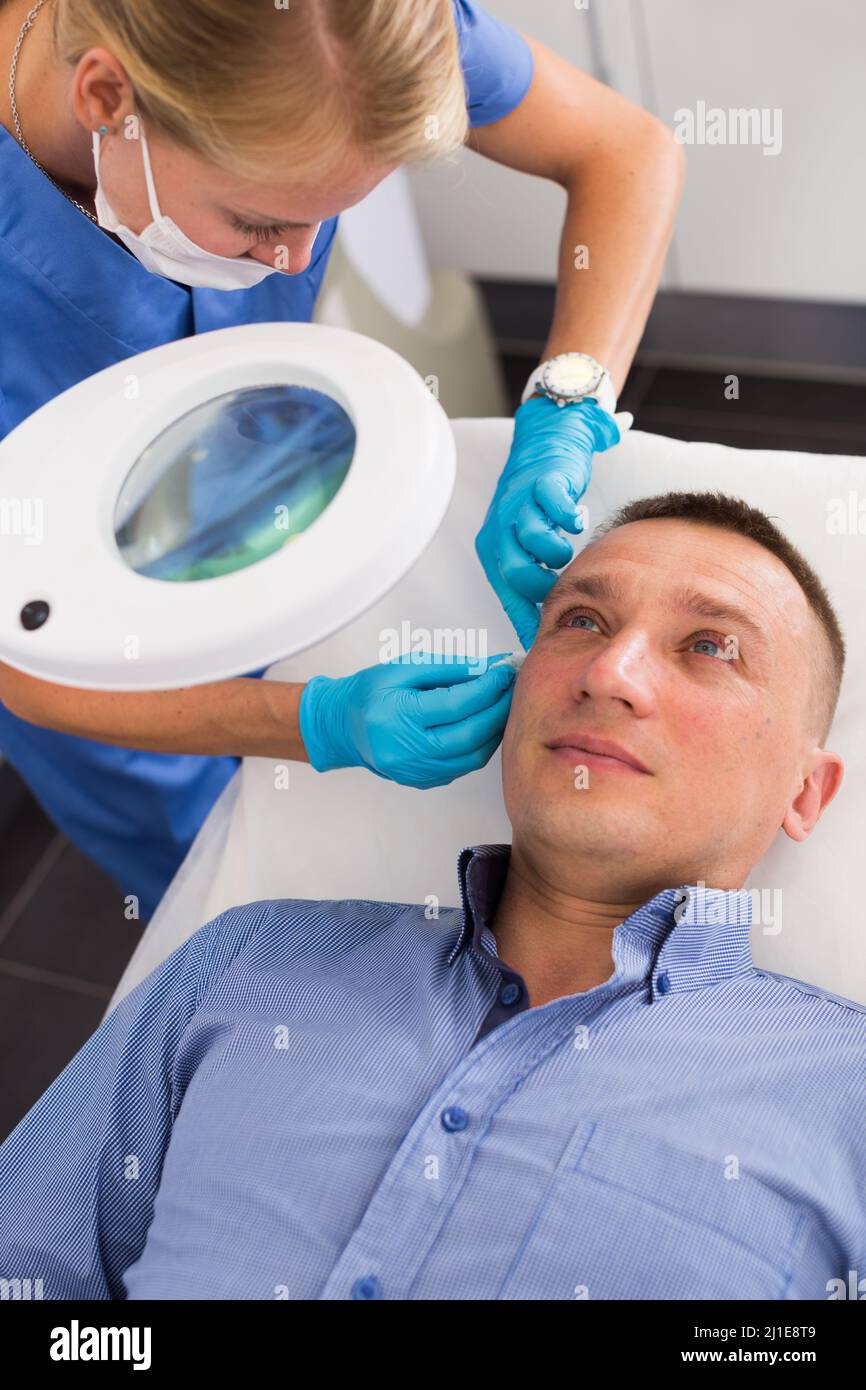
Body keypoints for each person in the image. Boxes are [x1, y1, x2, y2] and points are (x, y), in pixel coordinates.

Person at [0, 490, 861, 1301]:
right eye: (582, 621)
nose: (609, 671)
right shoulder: (247, 963)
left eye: (710, 645)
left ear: (806, 792)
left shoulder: (843, 1092)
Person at [0, 0, 683, 920]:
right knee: (232, 898)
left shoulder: (346, 27)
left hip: (271, 481)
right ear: (106, 97)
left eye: (333, 213)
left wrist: (568, 404)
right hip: (75, 646)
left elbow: (627, 152)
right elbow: (19, 669)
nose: (297, 262)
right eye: (257, 220)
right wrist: (313, 722)